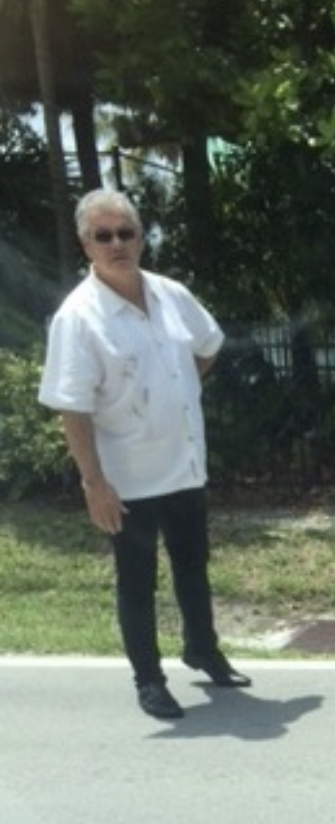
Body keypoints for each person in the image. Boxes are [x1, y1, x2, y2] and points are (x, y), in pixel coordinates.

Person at [38, 188, 251, 720]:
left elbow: (207, 346)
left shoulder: (170, 293)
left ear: (140, 238)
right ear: (86, 244)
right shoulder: (79, 317)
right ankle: (149, 680)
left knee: (193, 567)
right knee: (137, 582)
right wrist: (94, 483)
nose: (117, 244)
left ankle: (202, 648)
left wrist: (173, 387)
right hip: (126, 477)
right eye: (103, 236)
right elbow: (72, 407)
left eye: (126, 233)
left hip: (183, 464)